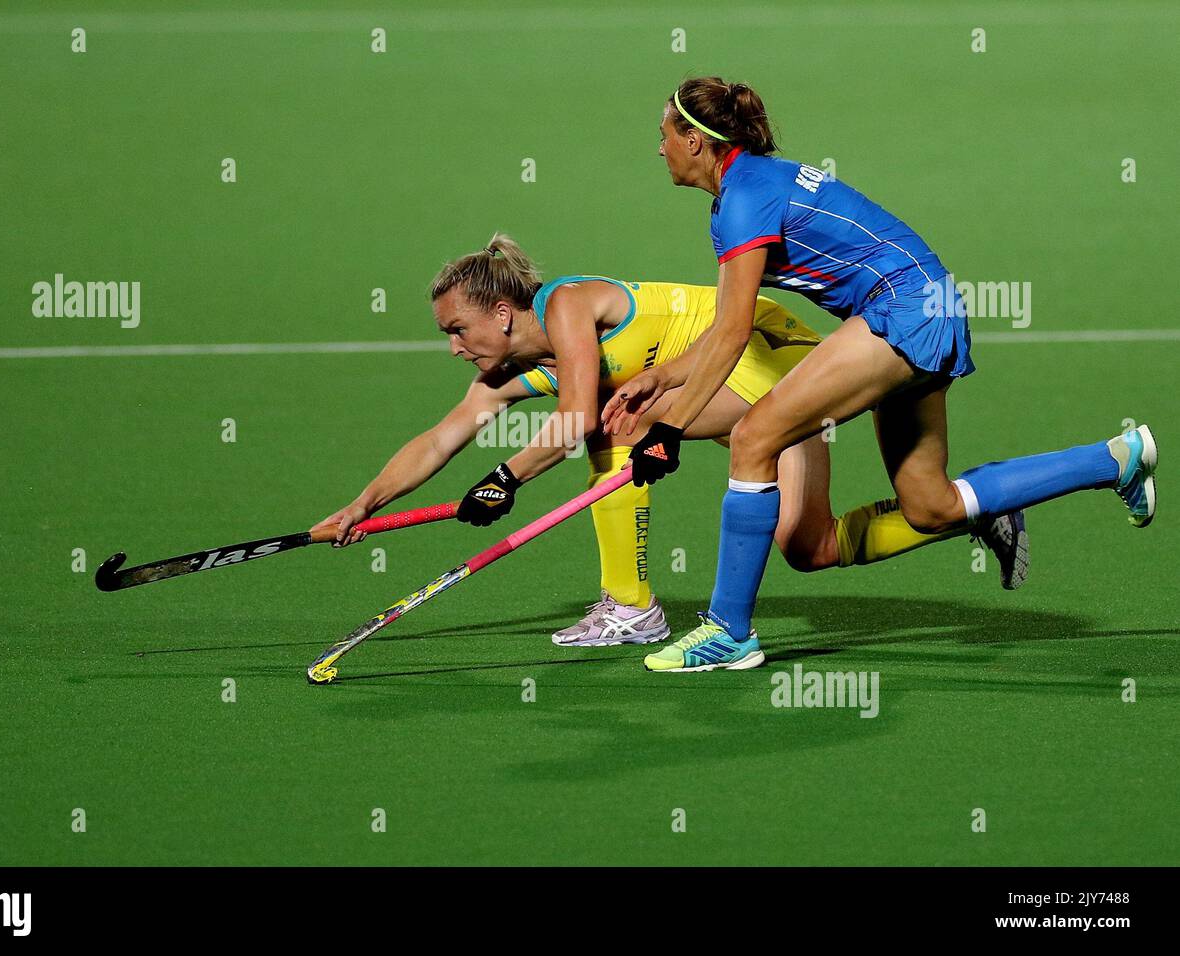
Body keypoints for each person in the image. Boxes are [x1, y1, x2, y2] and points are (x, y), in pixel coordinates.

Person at [602, 76, 1155, 673]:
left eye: (664, 136)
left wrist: (669, 429)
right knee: (932, 508)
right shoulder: (743, 191)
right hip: (924, 305)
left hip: (903, 309)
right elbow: (728, 326)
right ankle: (1116, 459)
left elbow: (735, 334)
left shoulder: (744, 198)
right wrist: (664, 382)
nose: (659, 149)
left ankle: (729, 631)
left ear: (696, 141)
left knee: (754, 437)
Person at [319, 234, 1027, 647]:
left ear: (503, 314)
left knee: (608, 423)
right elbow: (439, 441)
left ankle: (631, 606)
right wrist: (363, 505)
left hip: (770, 354)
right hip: (718, 389)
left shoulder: (564, 306)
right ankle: (970, 508)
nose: (452, 348)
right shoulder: (505, 370)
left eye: (456, 330)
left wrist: (506, 475)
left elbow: (574, 419)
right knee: (810, 549)